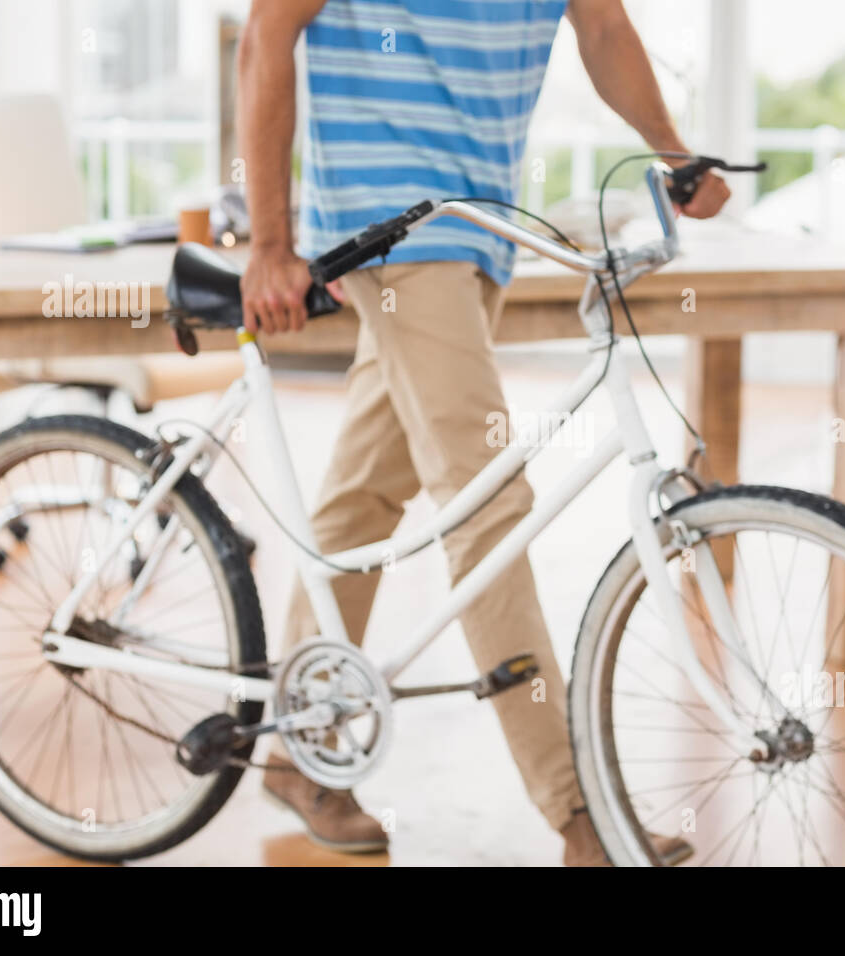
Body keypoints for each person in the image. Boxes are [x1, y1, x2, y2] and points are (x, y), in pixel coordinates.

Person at [236, 0, 730, 865]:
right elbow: (268, 29)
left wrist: (676, 153)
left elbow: (603, 29)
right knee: (488, 506)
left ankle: (295, 747)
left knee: (363, 498)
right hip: (390, 224)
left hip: (479, 224)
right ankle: (582, 811)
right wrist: (269, 240)